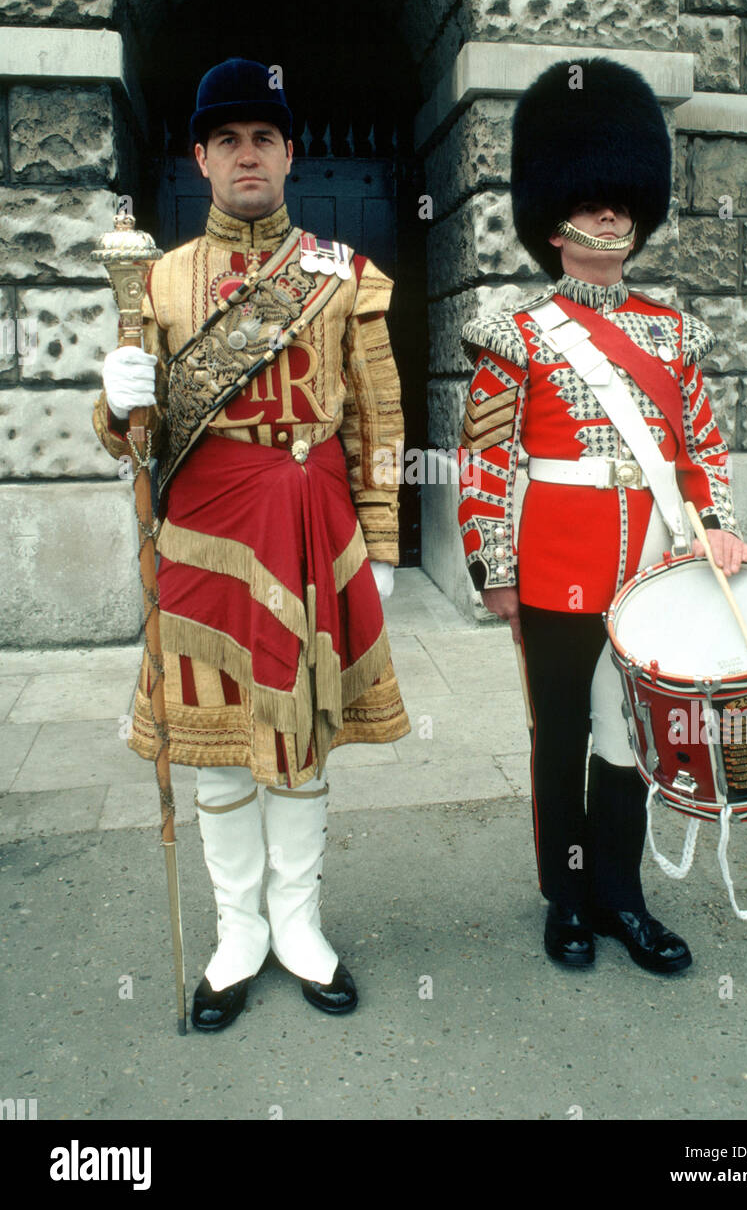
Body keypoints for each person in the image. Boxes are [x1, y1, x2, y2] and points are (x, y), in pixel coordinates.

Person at [93, 58, 409, 1029]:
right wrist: (117, 401)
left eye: (262, 137)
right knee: (224, 747)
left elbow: (380, 415)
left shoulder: (340, 272)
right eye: (226, 138)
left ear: (288, 153)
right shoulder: (159, 279)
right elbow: (132, 441)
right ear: (199, 157)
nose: (245, 154)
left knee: (304, 736)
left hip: (312, 528)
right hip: (202, 535)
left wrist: (385, 539)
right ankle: (239, 933)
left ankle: (301, 924)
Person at [457, 58, 747, 974]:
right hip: (554, 567)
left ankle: (622, 896)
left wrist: (715, 526)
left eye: (624, 201)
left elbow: (700, 448)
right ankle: (566, 897)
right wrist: (494, 568)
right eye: (594, 201)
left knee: (631, 740)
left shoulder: (673, 332)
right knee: (563, 739)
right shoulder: (516, 333)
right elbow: (486, 462)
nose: (614, 214)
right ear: (555, 218)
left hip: (652, 570)